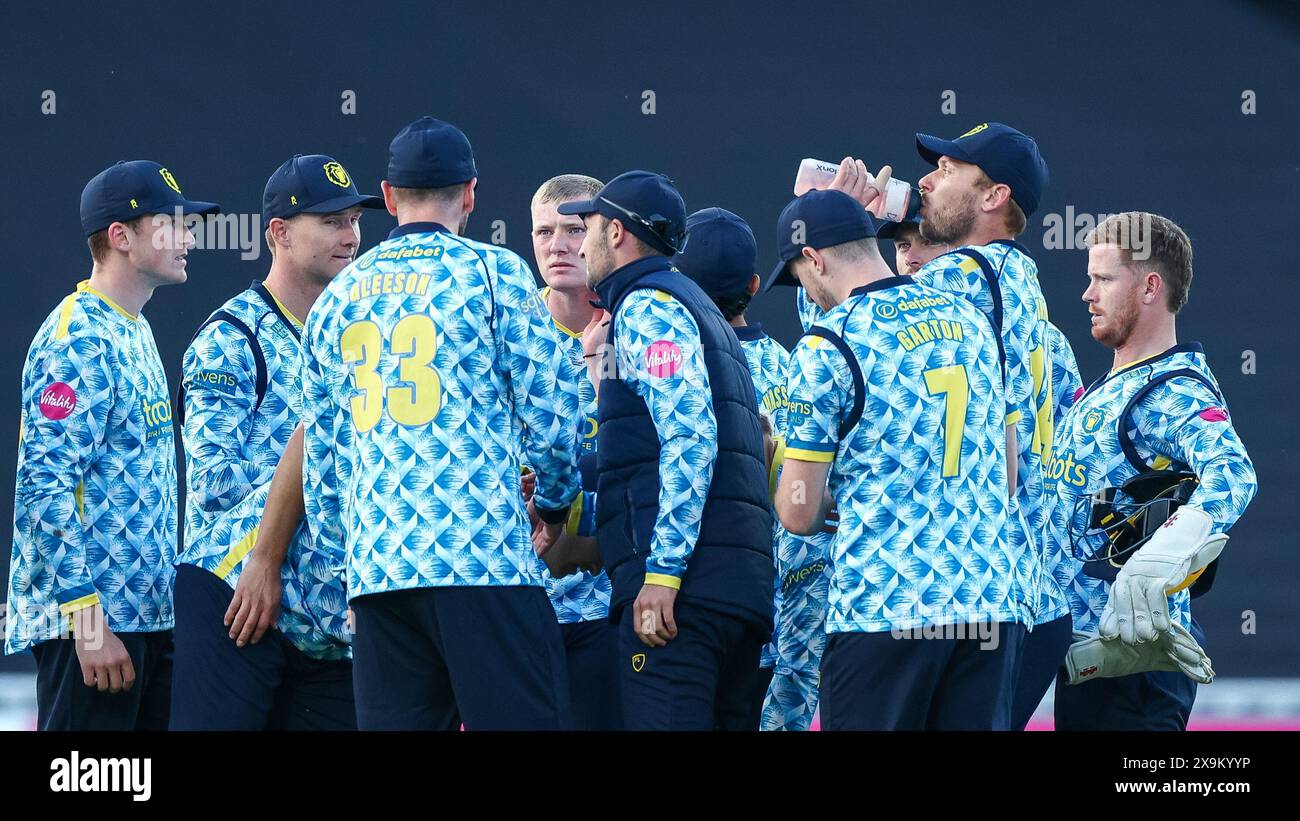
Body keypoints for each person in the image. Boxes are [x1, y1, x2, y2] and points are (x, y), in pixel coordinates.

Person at [299, 116, 580, 730]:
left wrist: (348, 562)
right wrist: (555, 506)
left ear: (389, 197)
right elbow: (552, 418)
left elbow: (322, 463)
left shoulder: (336, 298)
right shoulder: (494, 272)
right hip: (482, 560)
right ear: (471, 194)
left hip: (379, 574)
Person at [772, 189, 1021, 730]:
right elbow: (1008, 472)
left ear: (813, 259)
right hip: (988, 598)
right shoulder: (972, 319)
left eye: (800, 277)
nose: (809, 295)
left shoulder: (828, 343)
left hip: (885, 603)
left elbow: (797, 512)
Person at [170, 154, 384, 730]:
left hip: (325, 614)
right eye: (332, 221)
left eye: (355, 220)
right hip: (236, 591)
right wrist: (313, 484)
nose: (351, 236)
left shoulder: (361, 331)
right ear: (279, 233)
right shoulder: (232, 338)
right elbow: (214, 485)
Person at [557, 171, 774, 730]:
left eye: (589, 227)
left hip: (683, 602)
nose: (579, 245)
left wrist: (663, 575)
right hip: (731, 591)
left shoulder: (649, 305)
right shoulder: (698, 310)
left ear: (620, 233)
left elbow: (690, 436)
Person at [6, 160, 218, 729]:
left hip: (142, 620)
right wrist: (89, 624)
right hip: (95, 630)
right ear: (121, 237)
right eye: (171, 224)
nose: (189, 236)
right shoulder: (77, 336)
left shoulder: (133, 324)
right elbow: (42, 485)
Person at [1049, 212, 1256, 730]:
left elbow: (1233, 473)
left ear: (1149, 287)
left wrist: (1164, 552)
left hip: (1137, 660)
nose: (1087, 294)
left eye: (1102, 278)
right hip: (1092, 656)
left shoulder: (1170, 389)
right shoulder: (1110, 385)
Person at [673, 206, 834, 731]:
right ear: (755, 284)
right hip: (779, 610)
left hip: (689, 602)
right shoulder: (794, 364)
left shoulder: (671, 368)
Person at [526, 173, 620, 730]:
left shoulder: (640, 325)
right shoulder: (509, 328)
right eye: (542, 232)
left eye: (572, 229)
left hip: (610, 605)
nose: (558, 246)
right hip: (521, 598)